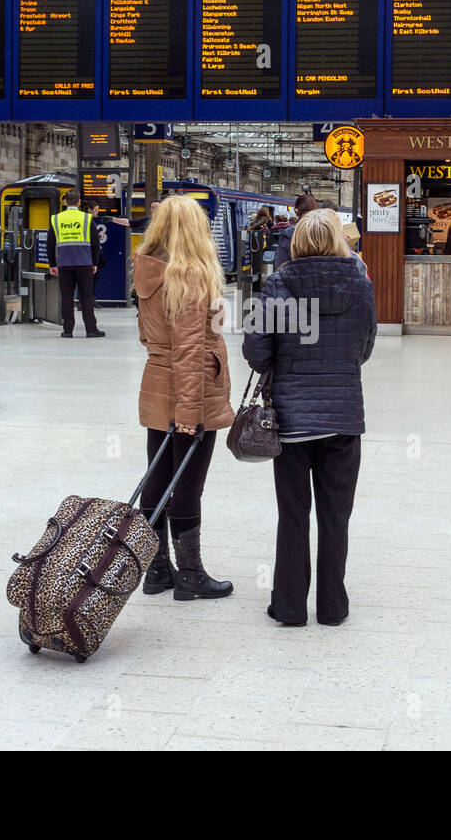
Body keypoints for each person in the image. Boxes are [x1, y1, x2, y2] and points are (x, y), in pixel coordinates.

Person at [243, 209, 377, 627]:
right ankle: (333, 608)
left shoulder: (277, 283)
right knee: (336, 517)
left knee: (293, 514)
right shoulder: (360, 283)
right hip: (342, 418)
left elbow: (256, 352)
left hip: (292, 419)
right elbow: (364, 348)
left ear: (296, 241)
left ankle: (288, 606)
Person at [133, 194, 235, 601]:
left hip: (156, 383)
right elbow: (191, 351)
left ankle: (157, 570)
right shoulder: (189, 276)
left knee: (157, 479)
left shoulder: (146, 271)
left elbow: (147, 337)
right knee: (188, 485)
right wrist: (190, 412)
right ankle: (190, 574)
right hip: (191, 394)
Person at [48, 188, 104, 338]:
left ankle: (67, 330)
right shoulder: (86, 218)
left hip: (64, 264)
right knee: (86, 297)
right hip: (84, 263)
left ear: (65, 201)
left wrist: (52, 264)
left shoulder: (56, 219)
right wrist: (95, 263)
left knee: (66, 297)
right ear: (79, 202)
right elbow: (95, 242)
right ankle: (91, 330)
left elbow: (50, 243)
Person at [275, 194, 320, 268]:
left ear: (296, 210)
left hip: (294, 276)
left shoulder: (289, 233)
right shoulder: (323, 231)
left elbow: (280, 263)